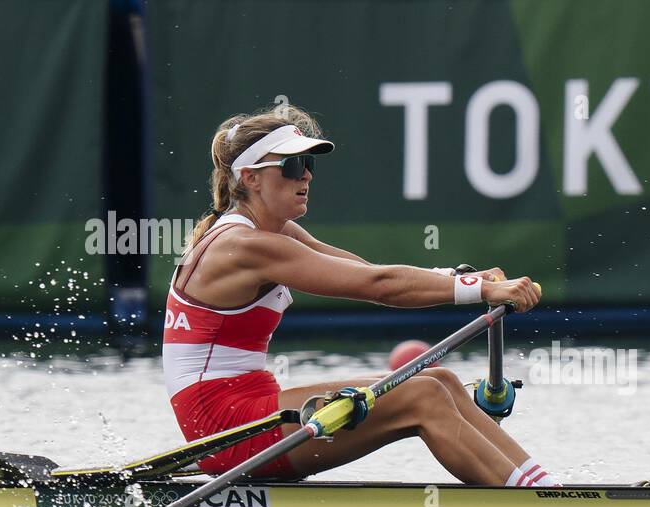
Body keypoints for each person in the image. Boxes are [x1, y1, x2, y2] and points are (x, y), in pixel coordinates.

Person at [164, 105, 554, 487]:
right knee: (424, 396)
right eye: (293, 166)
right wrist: (482, 291)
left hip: (250, 408)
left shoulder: (273, 232)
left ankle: (545, 489)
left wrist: (459, 278)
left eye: (309, 166)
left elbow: (364, 271)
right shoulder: (244, 244)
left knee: (442, 380)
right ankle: (537, 506)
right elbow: (378, 287)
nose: (307, 177)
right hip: (224, 429)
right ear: (250, 178)